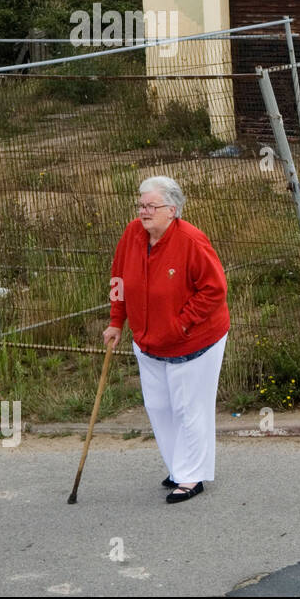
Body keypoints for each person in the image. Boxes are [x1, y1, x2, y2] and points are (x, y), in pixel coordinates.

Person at [104, 176, 229, 504]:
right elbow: (118, 277)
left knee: (189, 408)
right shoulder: (132, 234)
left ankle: (192, 477)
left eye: (151, 206)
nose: (143, 211)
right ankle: (178, 467)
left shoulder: (191, 241)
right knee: (159, 406)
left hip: (194, 343)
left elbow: (214, 290)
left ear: (172, 209)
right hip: (148, 342)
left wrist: (181, 325)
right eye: (141, 205)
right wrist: (117, 321)